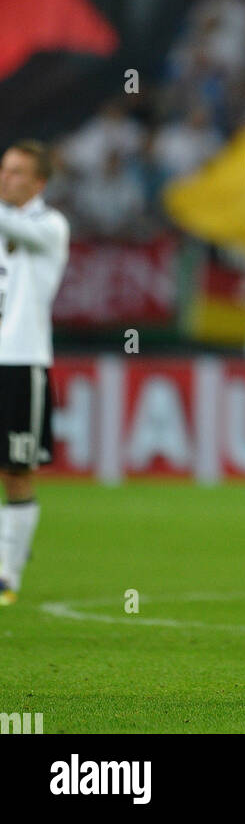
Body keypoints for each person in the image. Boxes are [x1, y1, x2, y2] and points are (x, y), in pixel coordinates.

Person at [0, 142, 70, 606]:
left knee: (16, 471)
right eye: (4, 170)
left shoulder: (50, 225)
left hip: (21, 363)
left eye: (17, 172)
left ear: (39, 182)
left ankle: (7, 577)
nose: (6, 178)